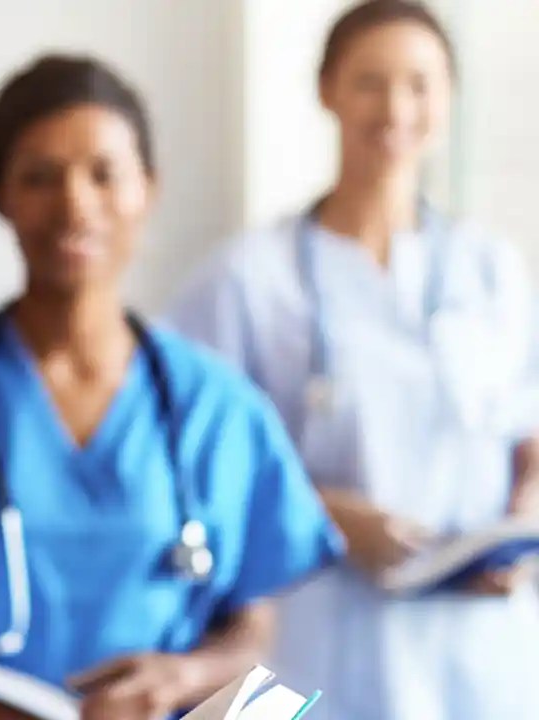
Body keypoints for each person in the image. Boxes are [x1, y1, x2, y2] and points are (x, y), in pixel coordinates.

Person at [0, 54, 343, 720]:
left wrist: (182, 676)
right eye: (40, 177)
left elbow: (254, 625)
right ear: (0, 195)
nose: (75, 204)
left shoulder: (216, 408)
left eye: (105, 174)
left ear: (149, 188)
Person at [169, 2, 539, 719]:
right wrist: (324, 511)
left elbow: (532, 425)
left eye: (419, 84)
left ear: (449, 100)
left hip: (478, 650)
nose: (395, 107)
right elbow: (188, 459)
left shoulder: (491, 268)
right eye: (370, 81)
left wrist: (520, 524)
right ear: (327, 89)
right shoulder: (248, 276)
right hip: (310, 641)